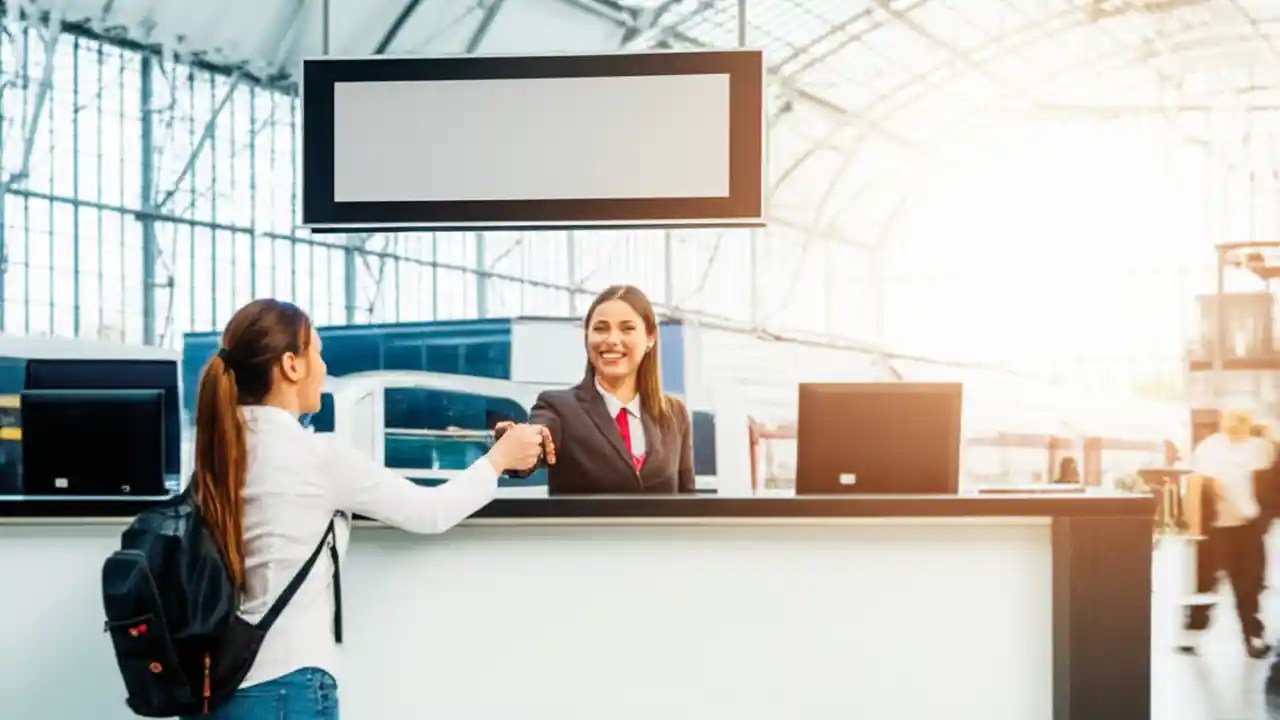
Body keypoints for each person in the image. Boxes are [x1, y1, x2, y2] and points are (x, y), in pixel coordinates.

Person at [183, 299, 546, 719]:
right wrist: (499, 460)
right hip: (283, 687)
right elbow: (430, 512)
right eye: (316, 353)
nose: (323, 367)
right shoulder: (314, 457)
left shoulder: (212, 453)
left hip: (209, 689)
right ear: (291, 366)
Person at [497, 284, 695, 494]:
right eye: (600, 328)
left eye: (627, 328)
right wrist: (516, 445)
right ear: (587, 337)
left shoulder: (674, 414)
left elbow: (689, 500)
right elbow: (534, 446)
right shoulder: (558, 408)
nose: (612, 340)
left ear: (650, 339)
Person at [1180, 409, 1276, 659]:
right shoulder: (1211, 448)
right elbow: (1198, 487)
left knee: (1248, 587)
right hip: (1216, 531)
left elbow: (1270, 489)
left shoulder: (1260, 450)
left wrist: (1260, 519)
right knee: (1205, 584)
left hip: (1246, 531)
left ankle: (1252, 638)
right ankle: (1192, 635)